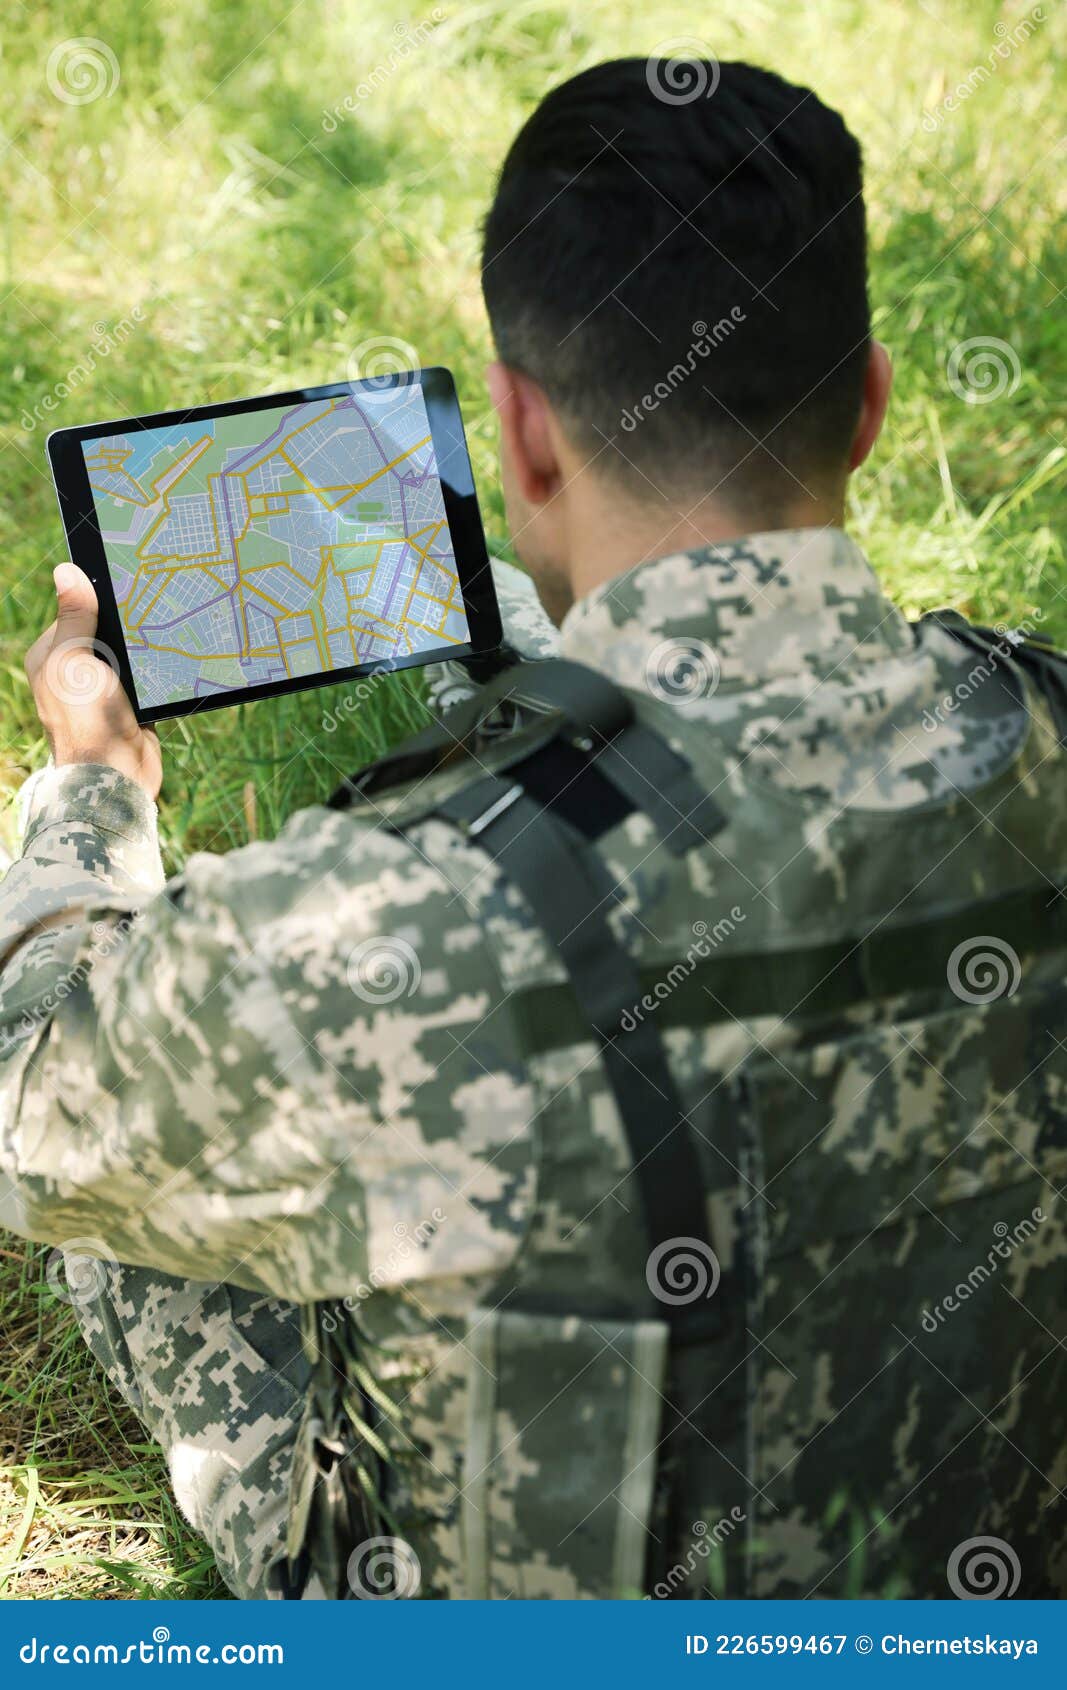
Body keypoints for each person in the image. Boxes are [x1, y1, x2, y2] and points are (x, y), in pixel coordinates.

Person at [1, 57, 1064, 1602]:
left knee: (128, 1162)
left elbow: (31, 1109)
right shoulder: (1033, 731)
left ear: (522, 434)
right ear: (876, 402)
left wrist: (93, 787)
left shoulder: (367, 925)